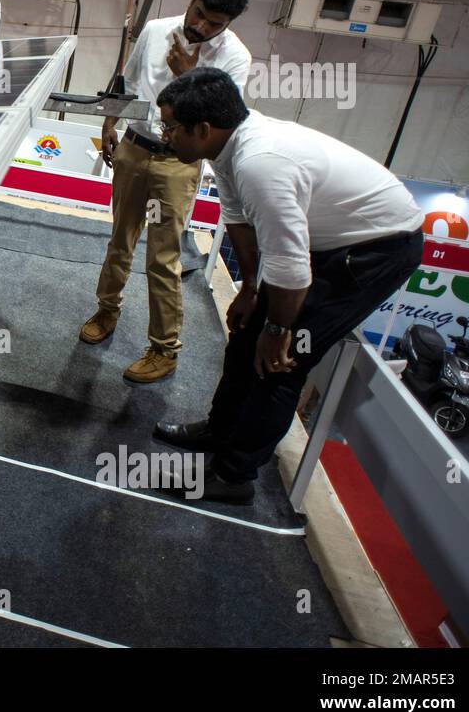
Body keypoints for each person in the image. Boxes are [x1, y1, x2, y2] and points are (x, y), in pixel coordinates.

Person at [151, 68, 424, 504]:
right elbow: (240, 223)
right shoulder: (224, 148)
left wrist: (278, 331)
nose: (165, 136)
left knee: (280, 363)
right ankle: (220, 432)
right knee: (244, 341)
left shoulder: (261, 162)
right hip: (331, 241)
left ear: (202, 129)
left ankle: (234, 474)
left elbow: (292, 266)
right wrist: (250, 292)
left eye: (171, 127)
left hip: (377, 250)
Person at [79, 0, 253, 384]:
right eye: (200, 14)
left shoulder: (235, 57)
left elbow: (222, 120)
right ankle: (107, 309)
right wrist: (110, 123)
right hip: (135, 149)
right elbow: (128, 79)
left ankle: (164, 349)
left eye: (215, 24)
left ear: (229, 24)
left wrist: (186, 75)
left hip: (179, 163)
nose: (202, 27)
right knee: (119, 240)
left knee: (162, 257)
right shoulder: (156, 30)